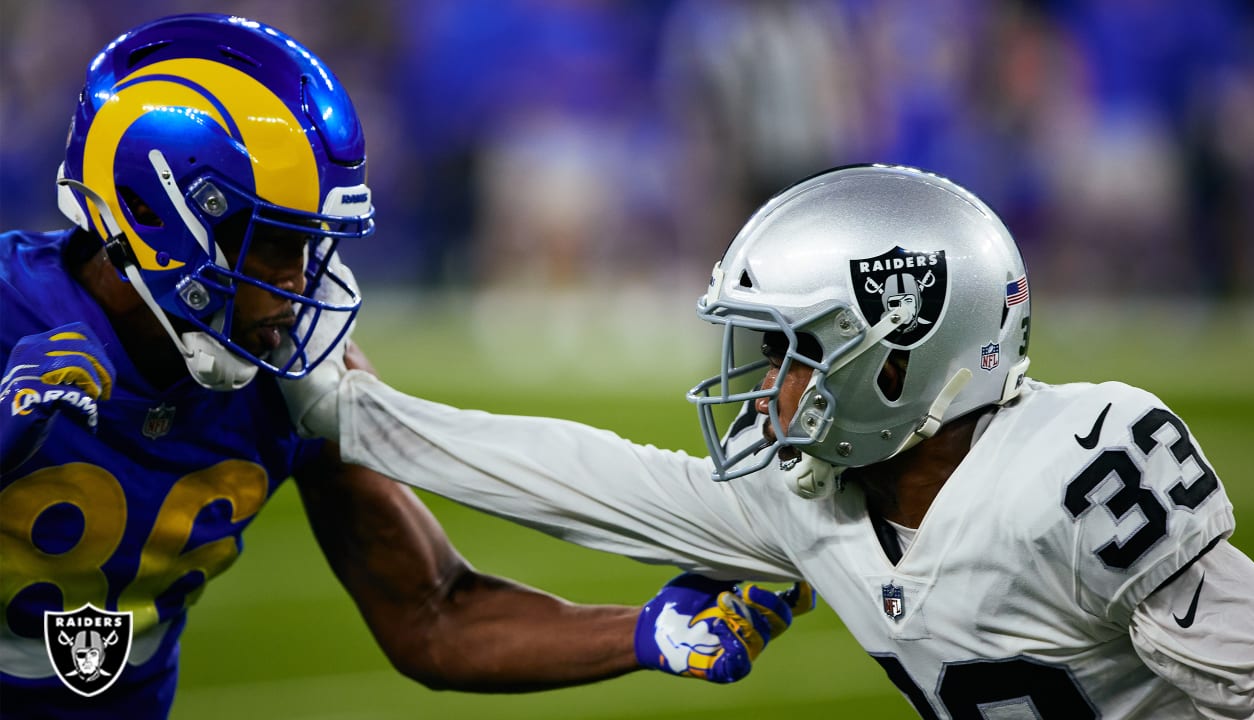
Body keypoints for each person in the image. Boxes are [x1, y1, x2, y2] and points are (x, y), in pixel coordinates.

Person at [0, 14, 811, 719]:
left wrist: (647, 634)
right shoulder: (12, 326)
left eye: (315, 246)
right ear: (155, 215)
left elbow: (432, 615)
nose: (298, 285)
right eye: (275, 244)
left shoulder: (284, 369)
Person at [280, 164, 1254, 719]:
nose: (762, 383)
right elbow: (587, 481)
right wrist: (352, 414)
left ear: (901, 357)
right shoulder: (812, 498)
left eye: (789, 351)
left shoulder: (1080, 471)